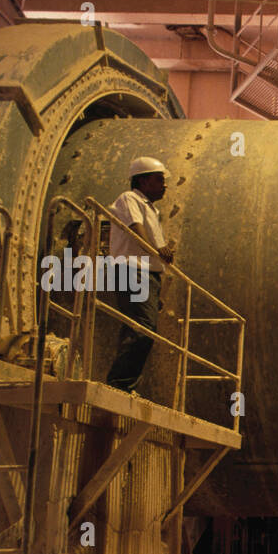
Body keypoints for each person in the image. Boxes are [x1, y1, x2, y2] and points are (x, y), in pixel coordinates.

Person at [105, 156, 175, 393]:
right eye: (159, 179)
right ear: (143, 182)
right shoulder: (130, 198)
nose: (164, 185)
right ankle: (119, 384)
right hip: (131, 270)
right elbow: (136, 230)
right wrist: (158, 251)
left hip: (146, 274)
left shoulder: (151, 209)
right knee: (141, 330)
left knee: (143, 330)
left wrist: (158, 291)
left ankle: (123, 384)